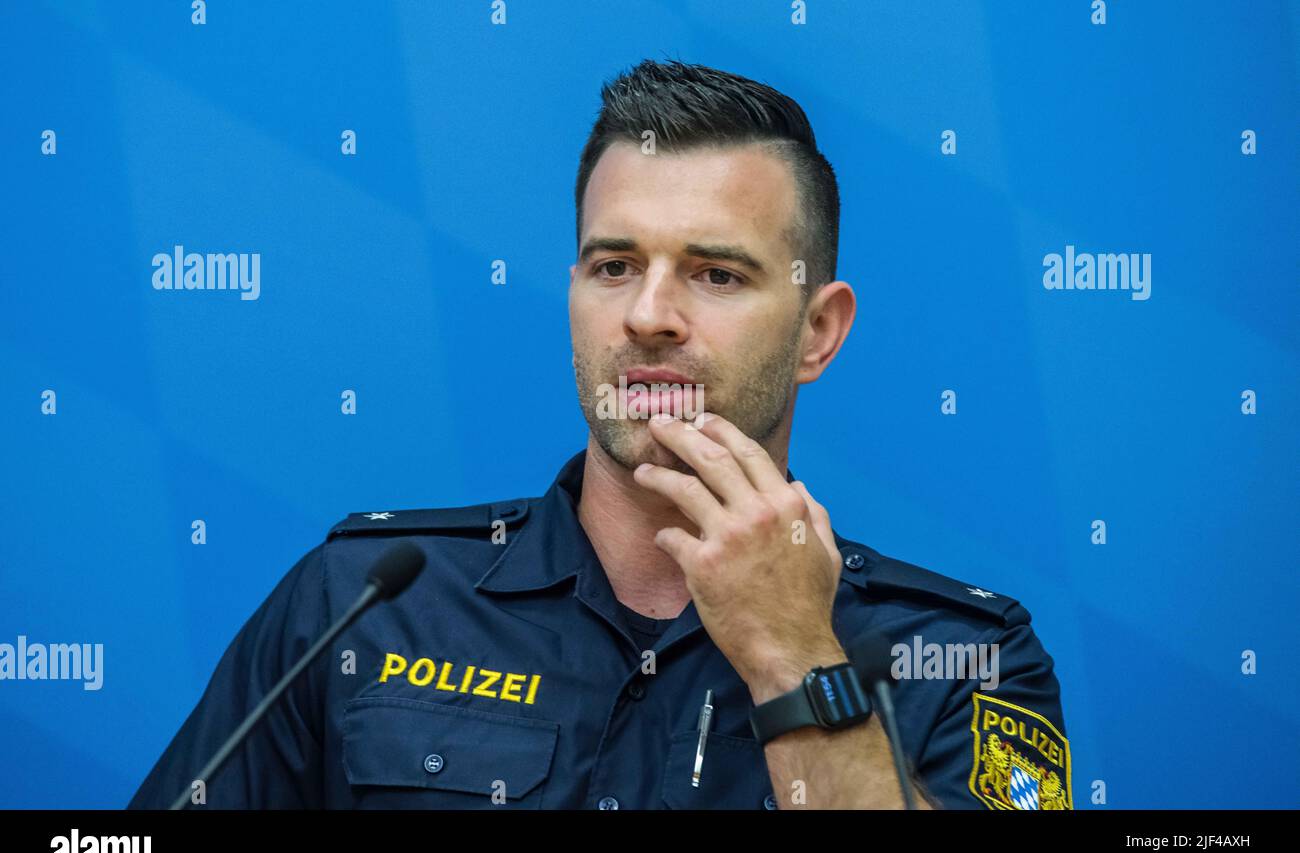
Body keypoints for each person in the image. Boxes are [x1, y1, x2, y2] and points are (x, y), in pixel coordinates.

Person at [129, 58, 1071, 811]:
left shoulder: (969, 659)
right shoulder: (363, 602)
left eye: (717, 275)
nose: (650, 314)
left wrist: (796, 655)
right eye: (615, 264)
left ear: (816, 331)